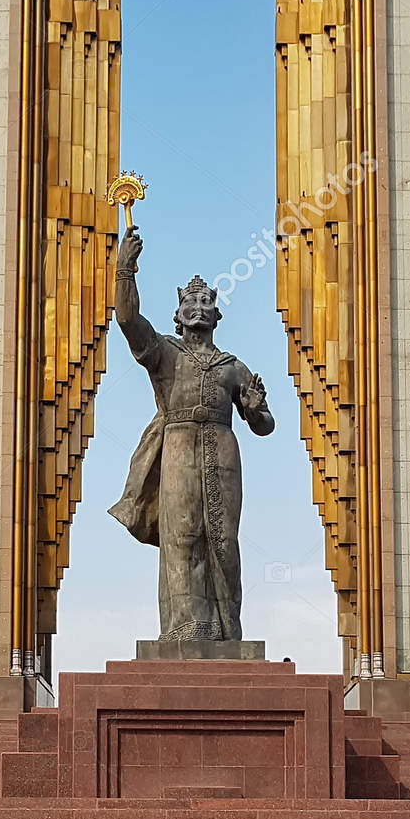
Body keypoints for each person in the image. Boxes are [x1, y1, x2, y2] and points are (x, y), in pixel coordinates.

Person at [110, 224, 274, 642]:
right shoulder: (164, 352)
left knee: (223, 541)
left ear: (217, 315)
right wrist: (125, 270)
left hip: (223, 449)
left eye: (205, 302)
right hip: (178, 444)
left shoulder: (232, 366)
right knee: (182, 534)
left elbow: (265, 425)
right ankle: (186, 628)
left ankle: (226, 630)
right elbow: (128, 320)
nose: (198, 306)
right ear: (178, 314)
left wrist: (254, 410)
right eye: (190, 301)